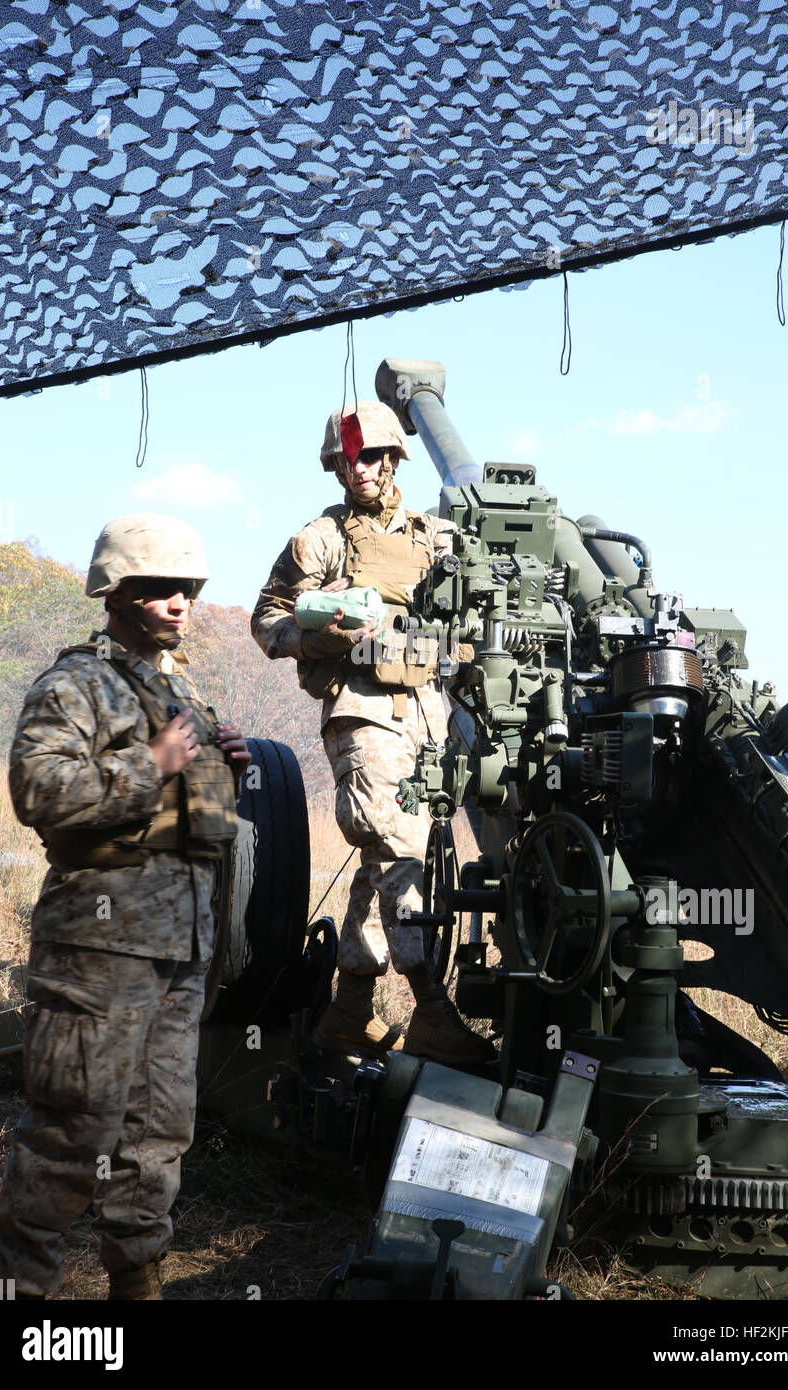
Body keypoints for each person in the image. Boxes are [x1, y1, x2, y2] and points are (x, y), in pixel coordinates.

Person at [0, 513, 250, 1301]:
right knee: (75, 1130)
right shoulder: (77, 684)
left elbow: (191, 823)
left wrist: (222, 763)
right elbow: (39, 791)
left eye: (187, 589)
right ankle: (16, 1296)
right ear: (119, 592)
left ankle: (137, 1285)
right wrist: (154, 761)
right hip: (97, 952)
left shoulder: (181, 690)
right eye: (160, 588)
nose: (178, 603)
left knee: (158, 1136)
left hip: (178, 948)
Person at [251, 400, 494, 1066]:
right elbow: (267, 621)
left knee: (387, 861)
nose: (362, 468)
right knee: (399, 849)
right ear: (335, 463)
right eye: (349, 457)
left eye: (374, 455)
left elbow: (487, 597)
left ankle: (349, 1013)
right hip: (361, 712)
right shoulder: (320, 540)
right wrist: (317, 634)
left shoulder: (437, 537)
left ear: (394, 459)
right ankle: (432, 1013)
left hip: (430, 716)